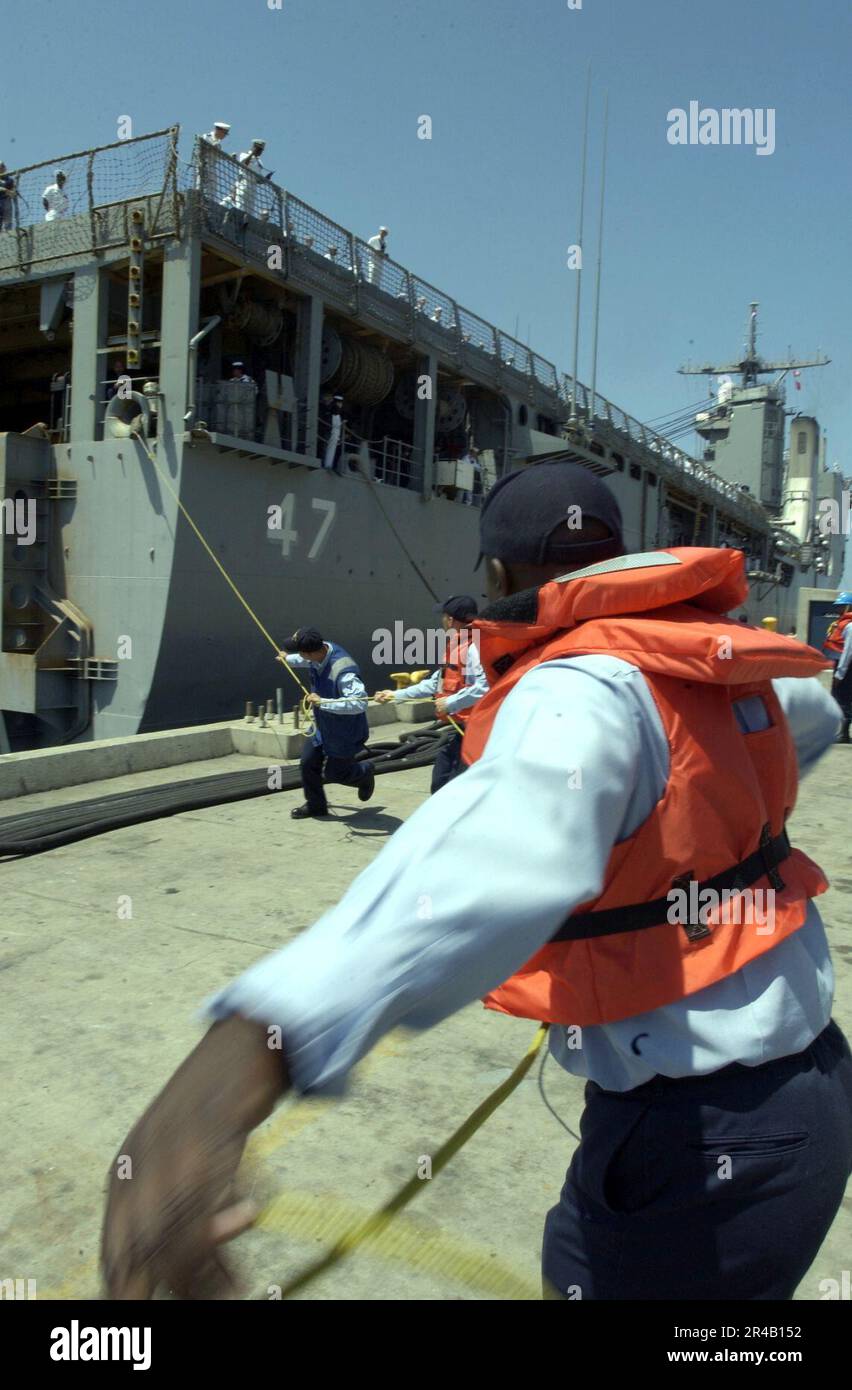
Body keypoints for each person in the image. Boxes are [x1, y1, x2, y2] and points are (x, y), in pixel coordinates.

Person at [101, 461, 852, 1302]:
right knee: (577, 1255)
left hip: (706, 1132)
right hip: (803, 1101)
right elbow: (811, 721)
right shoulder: (726, 662)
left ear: (496, 575)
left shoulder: (584, 685)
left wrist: (238, 1063)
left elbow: (489, 858)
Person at [375, 595, 488, 792]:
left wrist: (449, 703)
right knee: (441, 779)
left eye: (443, 617)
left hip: (477, 732)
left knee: (455, 787)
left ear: (450, 620)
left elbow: (483, 686)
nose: (442, 621)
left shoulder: (474, 648)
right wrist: (395, 695)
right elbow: (434, 684)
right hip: (462, 731)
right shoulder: (457, 646)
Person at [280, 627, 375, 819]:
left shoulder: (344, 671)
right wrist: (287, 659)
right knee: (307, 763)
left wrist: (323, 702)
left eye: (299, 652)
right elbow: (305, 660)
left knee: (335, 774)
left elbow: (359, 703)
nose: (298, 655)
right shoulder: (320, 652)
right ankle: (316, 806)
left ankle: (364, 773)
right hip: (323, 725)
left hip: (344, 731)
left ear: (310, 652)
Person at [825, 593, 852, 744]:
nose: (839, 609)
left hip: (847, 668)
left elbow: (849, 651)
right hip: (842, 665)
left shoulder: (850, 625)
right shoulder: (841, 623)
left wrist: (840, 674)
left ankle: (844, 733)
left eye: (842, 606)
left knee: (844, 699)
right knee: (840, 698)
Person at [321, 394, 345, 471]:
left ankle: (329, 465)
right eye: (339, 403)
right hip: (331, 432)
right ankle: (327, 464)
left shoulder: (336, 413)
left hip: (335, 434)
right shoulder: (332, 411)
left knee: (331, 450)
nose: (340, 404)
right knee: (328, 449)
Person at [0, 163, 17, 231]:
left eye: (2, 166)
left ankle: (8, 235)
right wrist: (5, 190)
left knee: (8, 221)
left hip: (7, 200)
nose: (1, 168)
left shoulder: (9, 180)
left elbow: (13, 193)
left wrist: (11, 192)